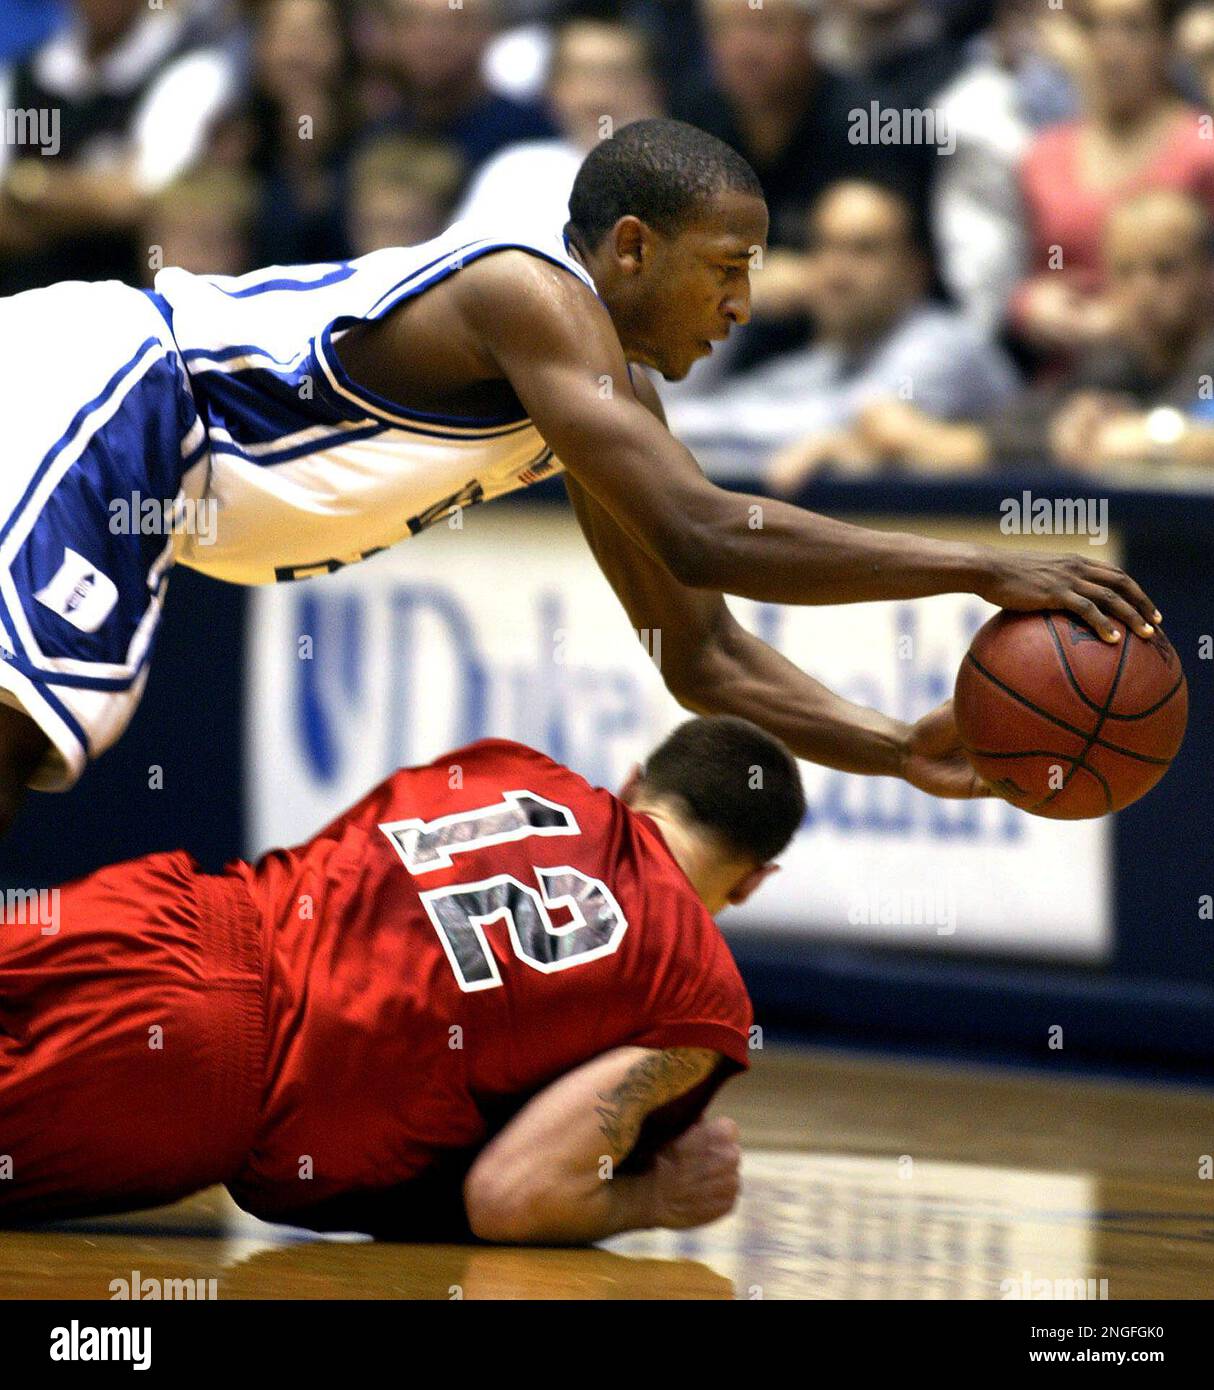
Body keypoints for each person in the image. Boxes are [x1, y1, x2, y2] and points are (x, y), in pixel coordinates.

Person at [0, 118, 1160, 833]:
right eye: (726, 266)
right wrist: (977, 568)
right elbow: (705, 529)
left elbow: (700, 653)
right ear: (631, 249)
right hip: (104, 381)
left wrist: (893, 749)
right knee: (29, 722)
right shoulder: (527, 291)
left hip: (149, 461)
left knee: (38, 727)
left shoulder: (609, 403)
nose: (744, 303)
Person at [0, 717, 800, 1242]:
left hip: (164, 907)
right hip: (205, 1065)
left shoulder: (509, 764)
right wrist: (654, 1199)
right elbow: (510, 1195)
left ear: (632, 785)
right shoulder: (697, 999)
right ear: (754, 882)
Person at [657, 180, 1019, 486]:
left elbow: (852, 418)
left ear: (916, 269)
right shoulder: (823, 363)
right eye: (826, 247)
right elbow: (670, 403)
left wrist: (666, 431)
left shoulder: (945, 343)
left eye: (863, 250)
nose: (837, 271)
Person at [850, 188, 1214, 472]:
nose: (1144, 290)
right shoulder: (1112, 361)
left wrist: (1150, 436)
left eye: (1166, 269)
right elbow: (1022, 427)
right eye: (1125, 271)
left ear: (1207, 274)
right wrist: (917, 437)